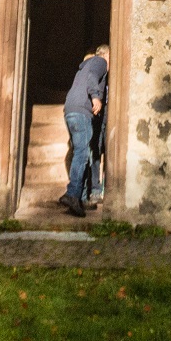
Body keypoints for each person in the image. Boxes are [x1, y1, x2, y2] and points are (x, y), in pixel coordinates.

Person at [60, 41, 109, 215]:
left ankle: (79, 200)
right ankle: (72, 193)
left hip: (70, 110)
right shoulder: (100, 62)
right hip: (82, 112)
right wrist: (96, 97)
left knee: (80, 151)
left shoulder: (84, 66)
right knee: (82, 153)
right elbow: (92, 79)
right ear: (106, 55)